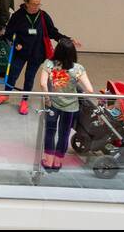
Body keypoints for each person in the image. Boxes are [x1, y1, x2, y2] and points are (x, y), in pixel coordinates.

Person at [0, 0, 70, 115]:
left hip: (37, 53)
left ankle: (24, 101)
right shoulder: (18, 15)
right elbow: (9, 33)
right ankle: (6, 94)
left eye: (38, 4)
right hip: (21, 51)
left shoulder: (43, 16)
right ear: (26, 3)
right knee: (13, 73)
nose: (36, 7)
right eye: (33, 4)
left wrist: (66, 39)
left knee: (29, 77)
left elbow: (53, 32)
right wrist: (16, 43)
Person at [35, 37, 93, 171]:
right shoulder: (78, 68)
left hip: (53, 105)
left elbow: (43, 84)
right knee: (64, 133)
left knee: (50, 131)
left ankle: (48, 161)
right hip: (71, 107)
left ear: (58, 51)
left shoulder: (48, 64)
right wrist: (75, 94)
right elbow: (90, 90)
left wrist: (48, 99)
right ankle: (57, 162)